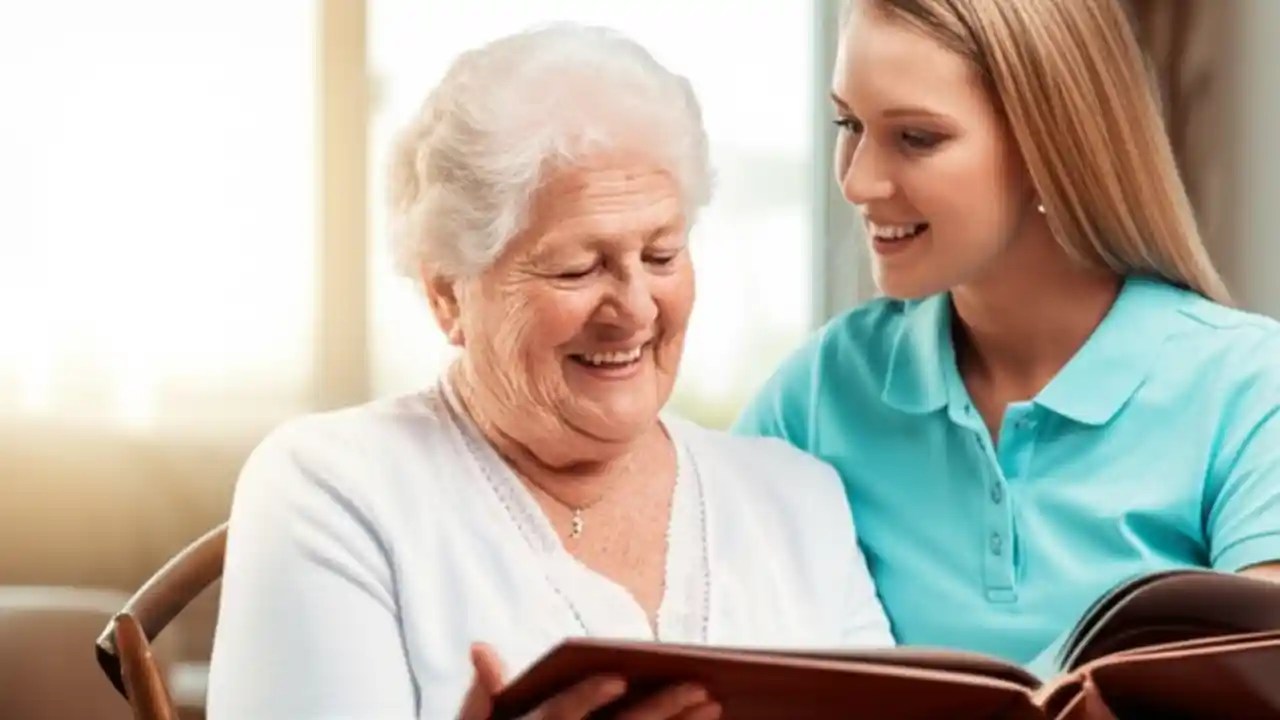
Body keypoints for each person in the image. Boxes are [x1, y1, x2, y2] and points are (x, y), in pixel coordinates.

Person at [205, 23, 893, 720]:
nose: (632, 309)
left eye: (661, 255)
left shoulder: (798, 501)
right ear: (448, 293)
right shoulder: (333, 488)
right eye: (578, 267)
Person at [734, 0, 1280, 669]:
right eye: (848, 124)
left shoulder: (1251, 390)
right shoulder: (820, 393)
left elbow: (1253, 684)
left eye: (916, 138)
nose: (857, 181)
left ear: (1051, 147)